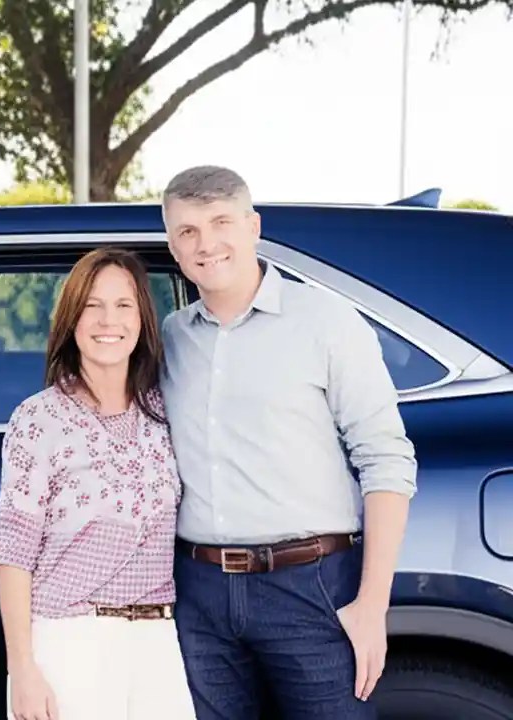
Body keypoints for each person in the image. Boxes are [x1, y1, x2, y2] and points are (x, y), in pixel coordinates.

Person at [157, 165, 417, 719]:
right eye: (187, 231)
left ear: (253, 226)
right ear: (173, 246)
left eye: (221, 222)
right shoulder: (170, 338)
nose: (206, 244)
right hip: (198, 594)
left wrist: (372, 605)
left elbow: (387, 459)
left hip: (314, 588)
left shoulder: (325, 322)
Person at [0, 248, 197, 720]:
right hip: (70, 640)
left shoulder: (164, 413)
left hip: (157, 639)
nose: (110, 320)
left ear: (143, 319)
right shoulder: (37, 419)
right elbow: (14, 556)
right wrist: (22, 671)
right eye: (93, 305)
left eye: (124, 305)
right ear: (72, 319)